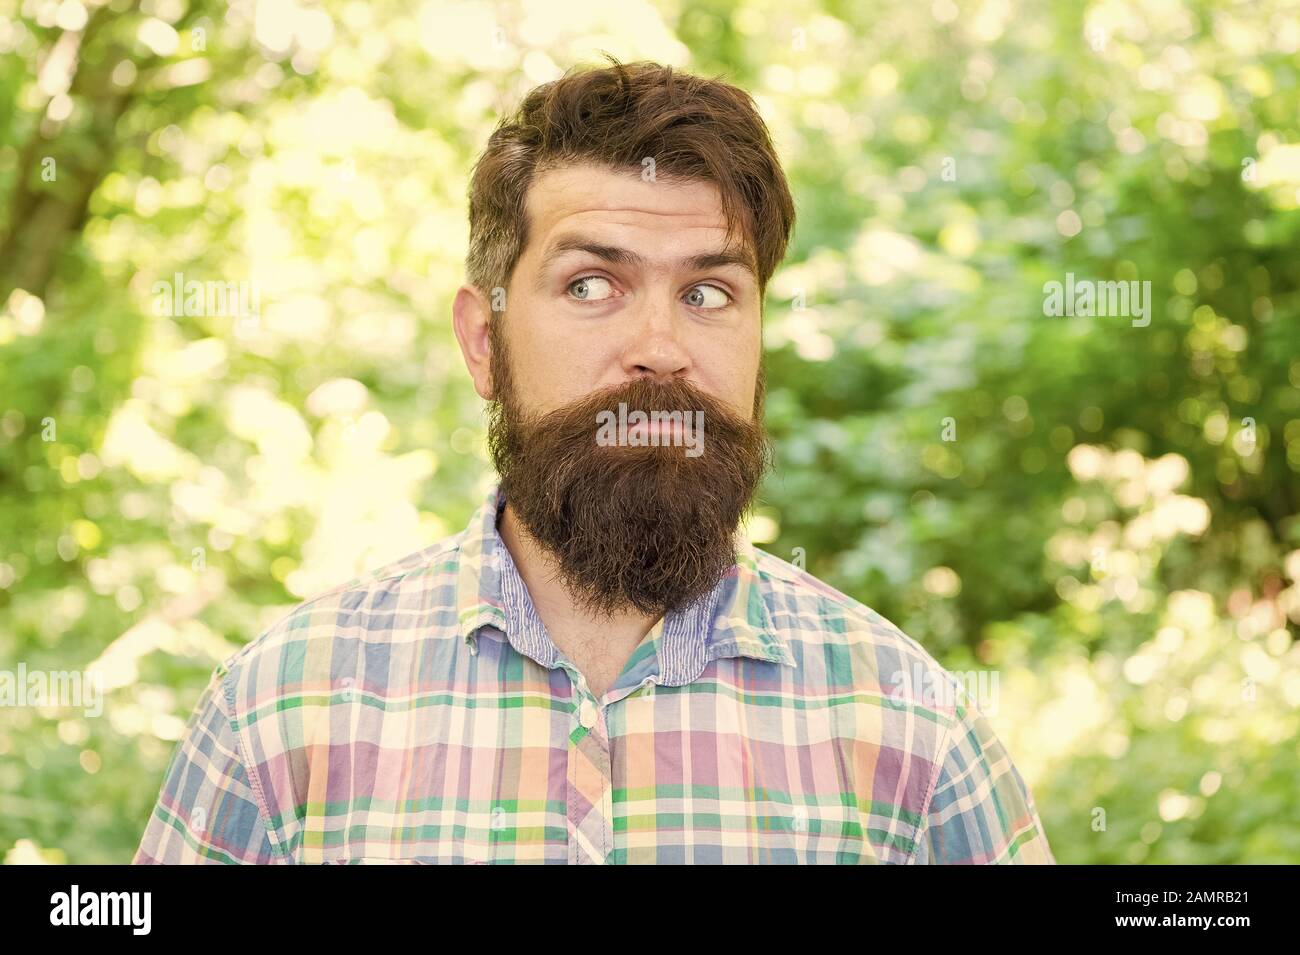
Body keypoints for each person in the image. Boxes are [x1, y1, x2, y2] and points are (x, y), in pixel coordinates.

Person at [134, 56, 1054, 865]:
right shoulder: (281, 712)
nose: (661, 345)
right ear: (482, 340)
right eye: (591, 284)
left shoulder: (912, 729)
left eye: (707, 290)